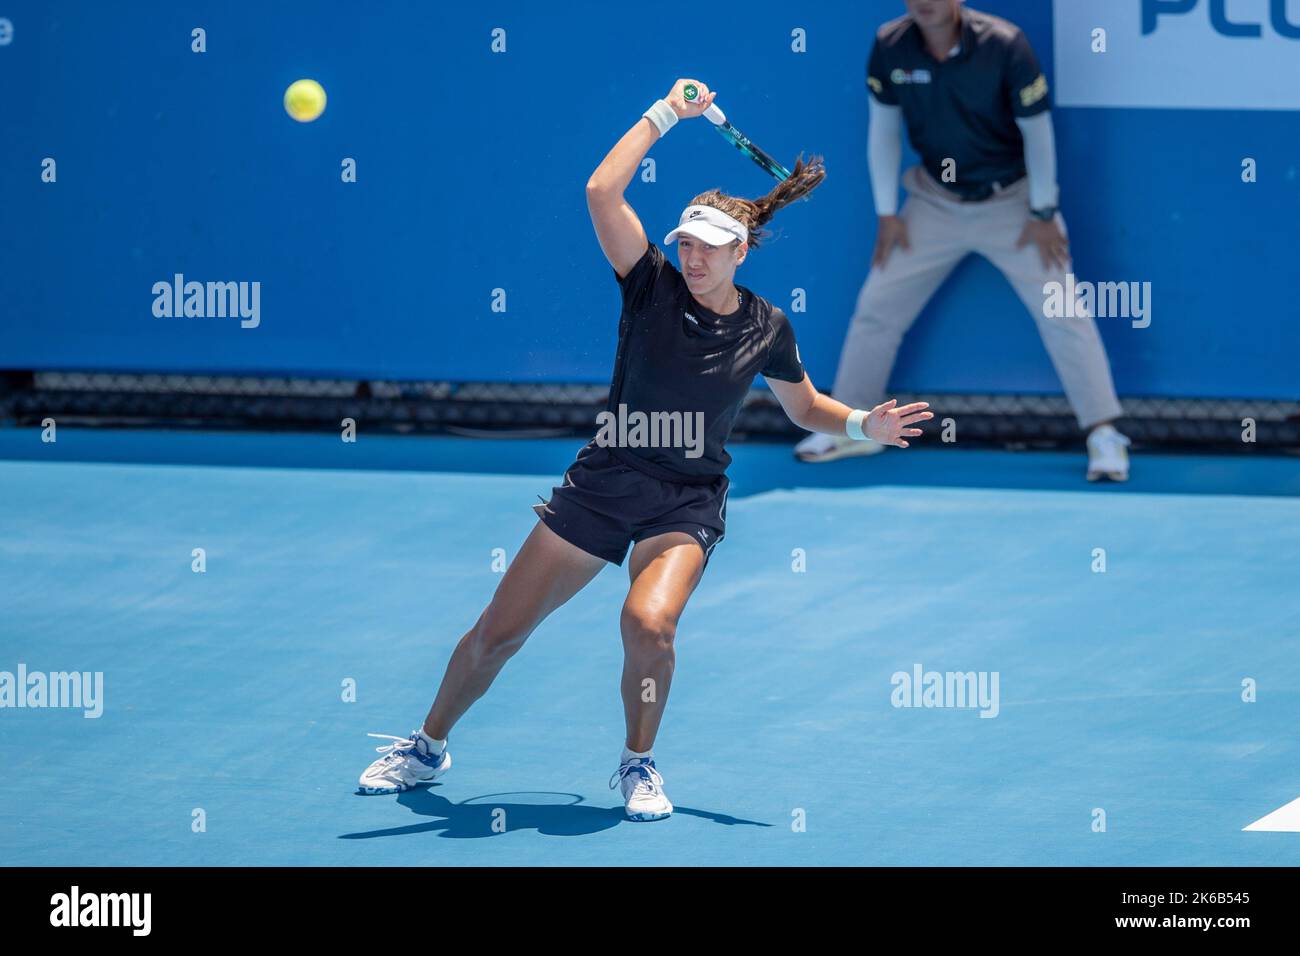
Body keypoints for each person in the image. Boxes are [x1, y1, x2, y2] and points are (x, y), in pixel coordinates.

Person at [358, 79, 933, 822]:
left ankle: (638, 763)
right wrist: (666, 113)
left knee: (648, 623)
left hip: (686, 500)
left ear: (742, 252)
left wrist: (862, 426)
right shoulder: (648, 286)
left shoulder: (767, 327)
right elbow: (602, 190)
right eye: (686, 245)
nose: (693, 259)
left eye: (710, 249)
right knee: (498, 633)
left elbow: (805, 406)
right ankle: (428, 746)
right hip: (605, 482)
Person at [794, 0, 1132, 481]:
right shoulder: (890, 46)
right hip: (932, 202)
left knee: (1064, 311)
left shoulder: (1005, 44)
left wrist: (1042, 210)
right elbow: (884, 131)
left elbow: (1038, 134)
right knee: (877, 307)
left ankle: (1104, 433)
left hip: (1015, 205)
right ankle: (855, 431)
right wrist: (887, 213)